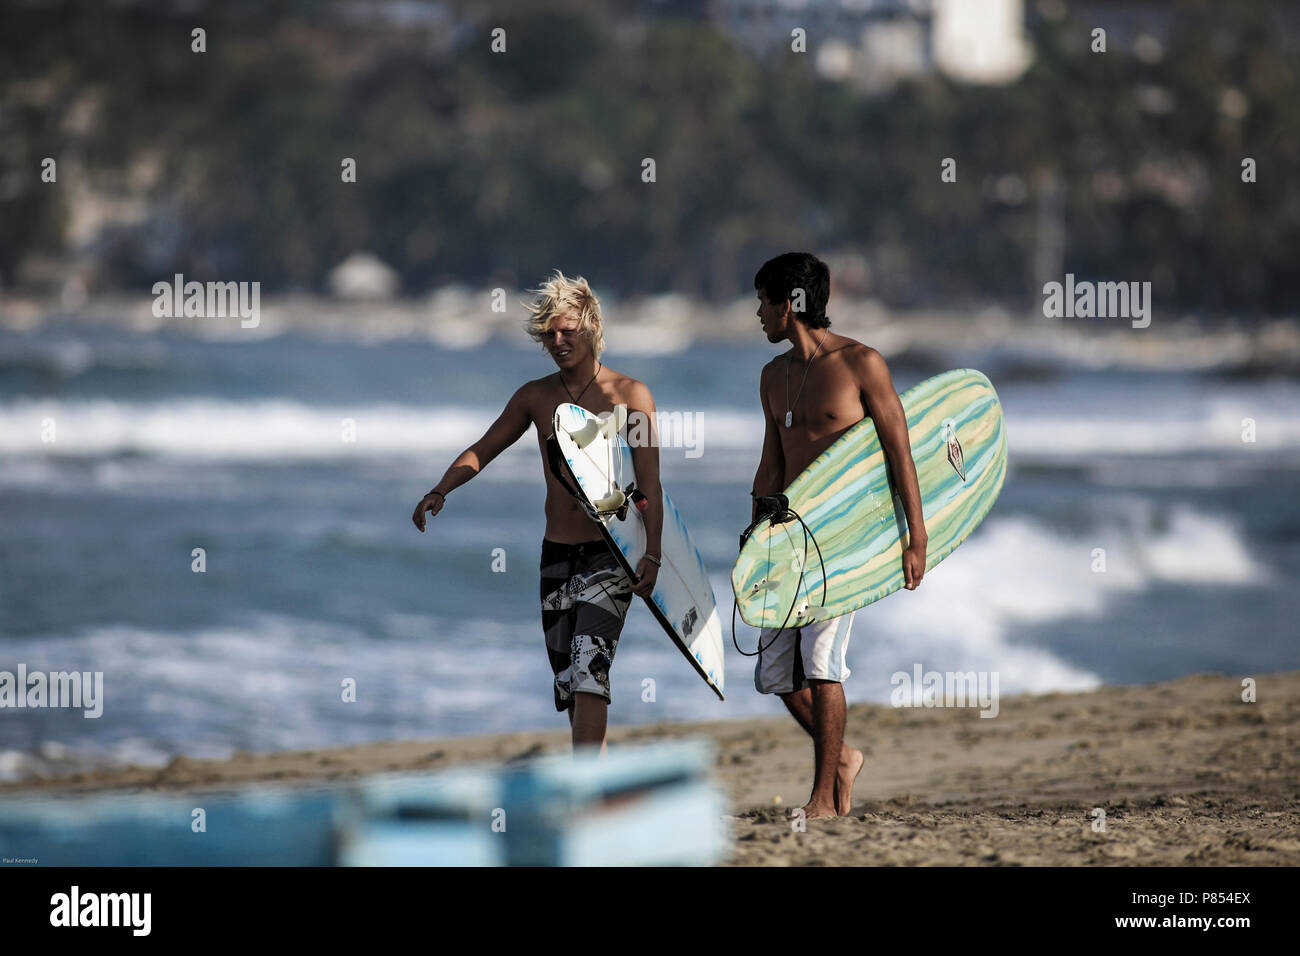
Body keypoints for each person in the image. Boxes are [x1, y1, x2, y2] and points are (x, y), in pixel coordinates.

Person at [412, 271, 662, 754]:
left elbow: (650, 487)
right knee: (571, 679)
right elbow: (483, 449)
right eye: (549, 334)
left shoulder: (633, 396)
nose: (558, 340)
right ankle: (592, 775)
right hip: (556, 555)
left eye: (567, 330)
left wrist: (650, 554)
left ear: (591, 326)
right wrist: (441, 489)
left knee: (591, 669)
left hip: (611, 553)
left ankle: (586, 791)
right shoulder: (535, 396)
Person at [748, 252, 928, 819]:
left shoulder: (861, 364)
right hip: (787, 537)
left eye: (764, 301)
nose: (757, 313)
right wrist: (754, 537)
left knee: (822, 660)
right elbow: (771, 461)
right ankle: (844, 758)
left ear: (790, 304)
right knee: (774, 673)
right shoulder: (774, 376)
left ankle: (823, 797)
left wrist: (915, 536)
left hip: (843, 539)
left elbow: (900, 450)